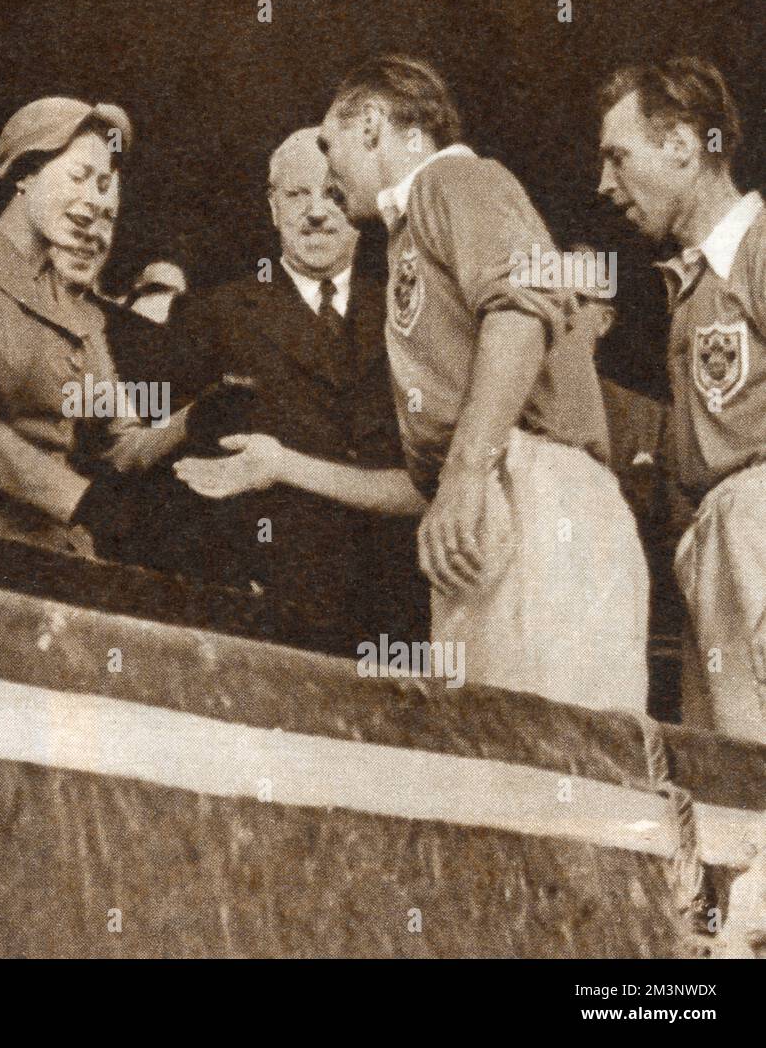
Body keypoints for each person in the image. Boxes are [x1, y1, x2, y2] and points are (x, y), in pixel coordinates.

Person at [274, 54, 645, 711]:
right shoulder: (410, 229)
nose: (327, 179)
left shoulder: (455, 180)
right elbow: (431, 477)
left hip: (534, 493)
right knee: (496, 766)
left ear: (372, 124)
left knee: (557, 760)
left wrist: (467, 473)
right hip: (491, 501)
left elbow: (522, 305)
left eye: (330, 147)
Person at [0, 97, 196, 555]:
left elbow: (121, 441)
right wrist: (79, 498)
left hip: (49, 540)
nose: (94, 199)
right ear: (25, 175)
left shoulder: (77, 306)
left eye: (103, 185)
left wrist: (195, 419)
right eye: (79, 176)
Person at [170, 127, 428, 647]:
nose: (317, 212)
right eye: (297, 194)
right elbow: (182, 477)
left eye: (334, 194)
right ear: (272, 207)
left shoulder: (408, 314)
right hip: (266, 614)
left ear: (358, 205)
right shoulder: (214, 317)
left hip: (397, 615)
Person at [597, 57, 765, 742]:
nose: (604, 184)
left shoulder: (759, 247)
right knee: (735, 778)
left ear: (682, 145)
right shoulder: (692, 285)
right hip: (716, 539)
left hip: (755, 523)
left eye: (617, 157)